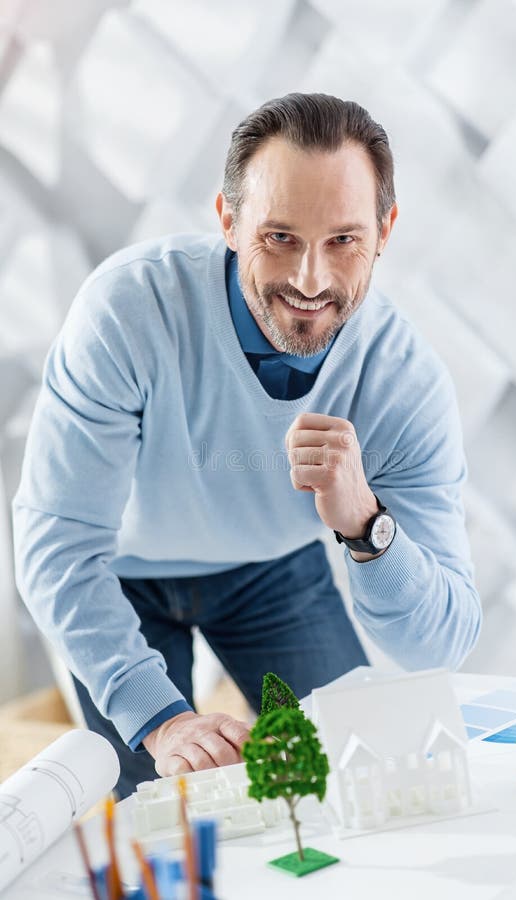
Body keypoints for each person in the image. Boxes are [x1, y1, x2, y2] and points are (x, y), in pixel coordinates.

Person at [12, 93, 481, 798]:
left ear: (384, 230)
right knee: (159, 813)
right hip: (115, 576)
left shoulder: (402, 382)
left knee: (355, 777)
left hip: (271, 571)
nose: (310, 280)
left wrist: (365, 526)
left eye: (343, 240)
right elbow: (55, 542)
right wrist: (163, 720)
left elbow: (440, 643)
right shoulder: (127, 311)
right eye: (280, 237)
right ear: (228, 221)